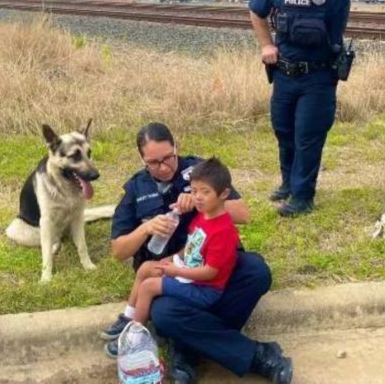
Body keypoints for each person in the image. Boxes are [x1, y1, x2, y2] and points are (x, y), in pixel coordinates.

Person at [102, 123, 292, 384]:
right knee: (165, 315)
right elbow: (118, 251)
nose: (165, 167)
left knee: (256, 271)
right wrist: (145, 228)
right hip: (171, 273)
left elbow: (243, 214)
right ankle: (258, 356)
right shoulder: (135, 189)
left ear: (175, 147)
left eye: (168, 157)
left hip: (212, 266)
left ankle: (187, 348)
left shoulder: (199, 173)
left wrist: (201, 201)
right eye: (154, 163)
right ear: (142, 159)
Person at [248, 0, 385, 216]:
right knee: (284, 130)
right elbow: (256, 11)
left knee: (308, 135)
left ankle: (302, 197)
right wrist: (266, 44)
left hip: (319, 77)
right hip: (285, 74)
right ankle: (288, 182)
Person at [125, 158, 244, 327]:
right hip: (188, 272)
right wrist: (173, 260)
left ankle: (135, 335)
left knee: (149, 286)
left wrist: (176, 271)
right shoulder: (203, 216)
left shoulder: (223, 231)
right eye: (194, 191)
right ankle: (127, 318)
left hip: (204, 290)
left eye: (205, 192)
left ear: (224, 194)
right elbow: (191, 246)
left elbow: (210, 272)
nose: (198, 197)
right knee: (145, 268)